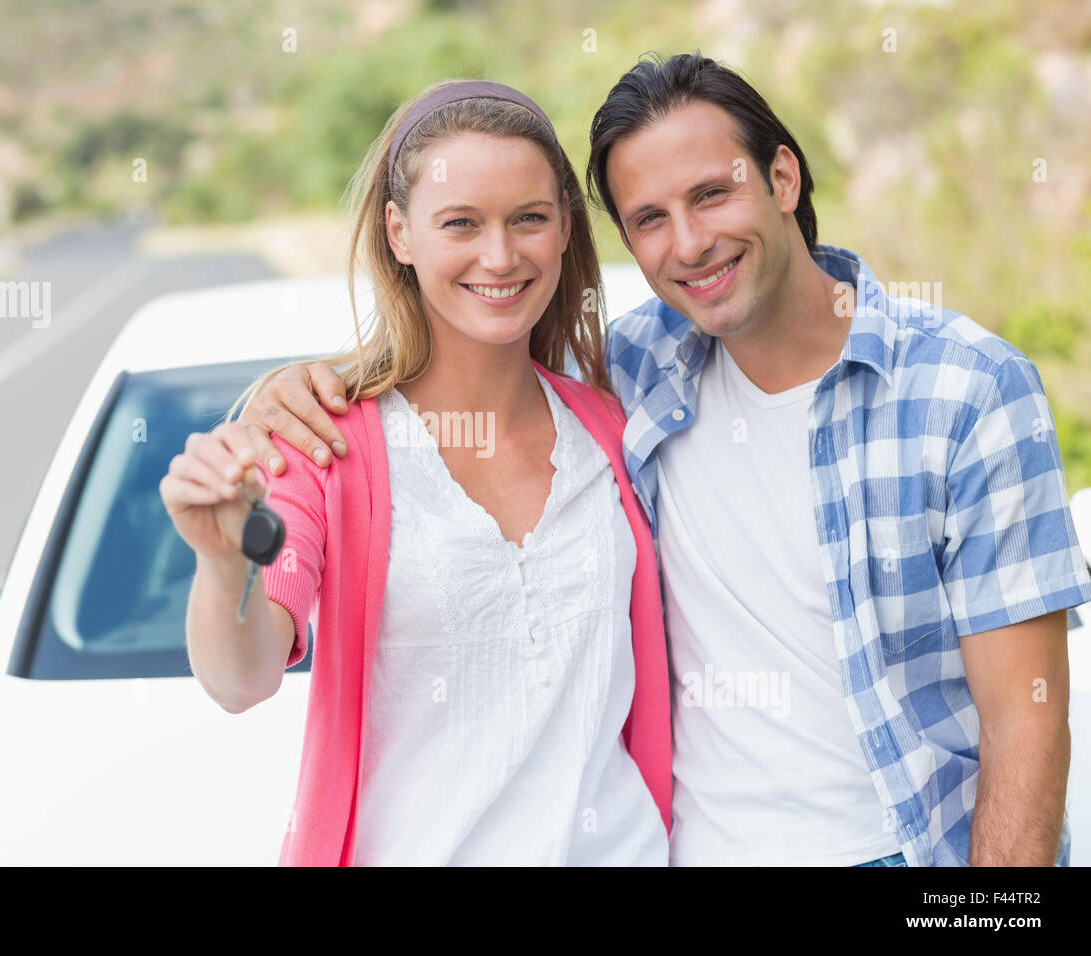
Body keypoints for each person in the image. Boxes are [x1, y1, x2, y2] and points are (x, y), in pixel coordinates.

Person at [237, 53, 1091, 867]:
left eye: (712, 195)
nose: (689, 244)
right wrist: (304, 384)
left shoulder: (965, 390)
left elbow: (1028, 719)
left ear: (783, 178)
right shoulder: (633, 374)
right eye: (650, 219)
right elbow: (463, 366)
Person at [160, 79, 673, 866]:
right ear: (400, 232)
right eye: (460, 223)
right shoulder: (319, 445)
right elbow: (242, 679)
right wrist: (225, 559)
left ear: (567, 227)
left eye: (528, 218)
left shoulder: (614, 424)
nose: (499, 257)